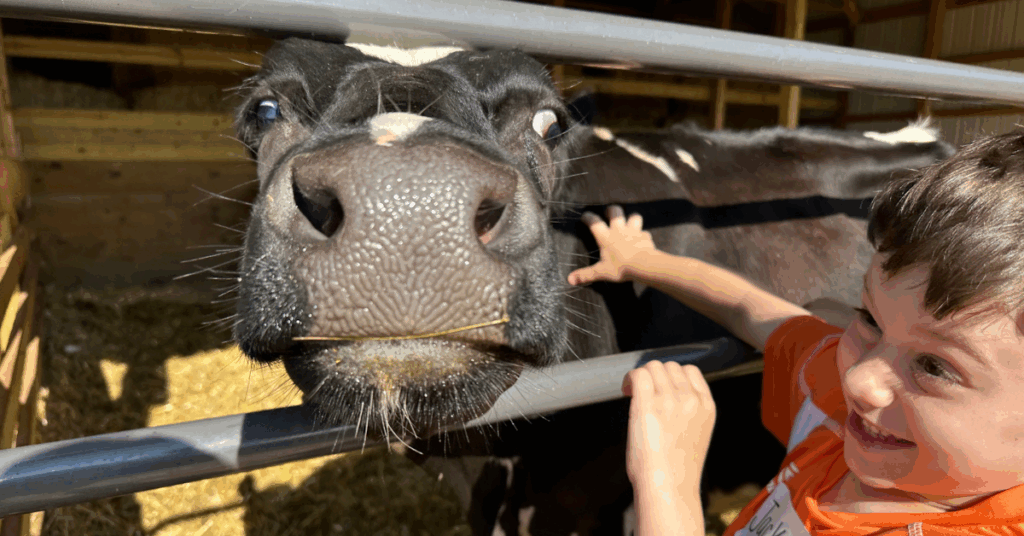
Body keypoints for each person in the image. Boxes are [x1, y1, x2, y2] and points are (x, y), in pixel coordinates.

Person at [567, 130, 1024, 536]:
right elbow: (752, 310)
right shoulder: (841, 408)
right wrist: (645, 262)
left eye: (934, 366)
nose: (860, 381)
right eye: (869, 317)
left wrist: (667, 489)